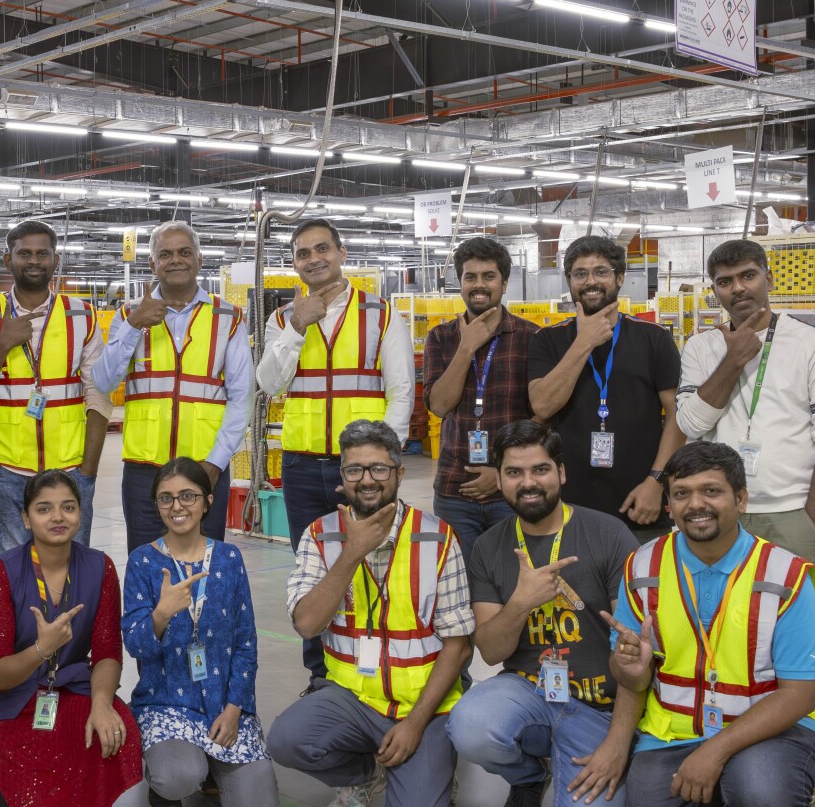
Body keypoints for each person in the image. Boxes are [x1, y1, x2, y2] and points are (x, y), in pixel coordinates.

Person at [609, 441, 815, 807]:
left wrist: (716, 752)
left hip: (770, 733)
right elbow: (631, 677)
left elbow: (803, 694)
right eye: (682, 494)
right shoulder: (642, 567)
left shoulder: (784, 575)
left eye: (712, 491)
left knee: (764, 796)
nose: (696, 505)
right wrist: (628, 667)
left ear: (741, 500)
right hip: (672, 734)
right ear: (669, 505)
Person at [268, 420, 472, 807]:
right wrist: (352, 551)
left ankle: (434, 763)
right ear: (341, 478)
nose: (367, 480)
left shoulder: (437, 537)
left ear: (400, 473)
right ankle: (361, 775)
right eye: (355, 470)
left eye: (379, 469)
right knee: (285, 738)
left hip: (425, 705)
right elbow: (306, 624)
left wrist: (416, 724)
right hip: (352, 698)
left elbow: (459, 644)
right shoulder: (321, 536)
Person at [447, 421, 639, 807]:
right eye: (514, 472)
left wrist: (617, 741)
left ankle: (615, 769)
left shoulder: (608, 535)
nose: (529, 482)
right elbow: (491, 652)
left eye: (540, 470)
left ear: (562, 474)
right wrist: (520, 602)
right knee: (470, 725)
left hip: (600, 706)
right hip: (530, 691)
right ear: (499, 477)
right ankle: (530, 777)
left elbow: (637, 660)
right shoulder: (490, 547)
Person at [255, 219, 415, 690]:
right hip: (303, 465)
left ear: (341, 252)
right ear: (295, 263)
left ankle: (375, 666)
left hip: (364, 470)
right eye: (303, 253)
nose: (313, 259)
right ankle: (321, 676)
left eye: (322, 249)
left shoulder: (382, 315)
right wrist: (296, 329)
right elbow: (269, 383)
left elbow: (401, 391)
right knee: (313, 567)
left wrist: (386, 463)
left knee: (374, 563)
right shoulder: (284, 318)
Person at [0, 470, 141, 807]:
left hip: (67, 687)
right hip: (5, 701)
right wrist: (41, 649)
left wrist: (102, 704)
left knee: (118, 727)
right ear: (26, 518)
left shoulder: (101, 568)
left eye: (68, 507)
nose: (57, 517)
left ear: (81, 512)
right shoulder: (2, 572)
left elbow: (107, 650)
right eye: (44, 509)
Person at [664, 239, 815, 565]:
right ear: (715, 290)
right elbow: (691, 424)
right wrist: (733, 360)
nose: (738, 288)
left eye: (748, 276)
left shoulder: (812, 344)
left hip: (790, 512)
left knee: (792, 612)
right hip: (716, 510)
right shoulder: (701, 347)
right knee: (717, 613)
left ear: (770, 278)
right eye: (725, 281)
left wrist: (812, 519)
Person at [120, 457, 276, 807]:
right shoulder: (143, 562)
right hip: (168, 705)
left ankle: (211, 765)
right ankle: (173, 779)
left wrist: (235, 708)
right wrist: (159, 615)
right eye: (166, 498)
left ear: (207, 501)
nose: (177, 507)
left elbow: (245, 642)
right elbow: (135, 645)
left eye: (188, 496)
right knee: (177, 777)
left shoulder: (229, 558)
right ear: (156, 505)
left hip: (224, 705)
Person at [88, 221, 252, 554]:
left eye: (184, 252)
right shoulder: (127, 315)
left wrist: (216, 463)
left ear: (199, 259)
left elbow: (241, 398)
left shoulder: (229, 317)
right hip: (143, 471)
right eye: (165, 254)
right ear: (152, 263)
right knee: (147, 568)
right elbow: (104, 381)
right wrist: (134, 325)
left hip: (205, 467)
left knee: (205, 568)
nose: (175, 260)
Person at [0, 221, 111, 555]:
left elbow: (98, 393)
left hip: (70, 466)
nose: (34, 260)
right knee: (14, 570)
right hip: (4, 469)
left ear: (56, 260)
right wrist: (1, 344)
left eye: (43, 253)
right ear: (7, 259)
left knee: (71, 569)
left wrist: (89, 469)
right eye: (24, 253)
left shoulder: (83, 315)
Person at [529, 235, 683, 542]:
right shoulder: (548, 340)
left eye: (601, 271)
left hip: (641, 503)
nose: (590, 282)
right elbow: (543, 407)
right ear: (569, 280)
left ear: (620, 277)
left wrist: (657, 481)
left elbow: (679, 415)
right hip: (568, 505)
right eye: (580, 273)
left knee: (641, 587)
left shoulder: (654, 339)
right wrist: (584, 341)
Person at [422, 236, 538, 551]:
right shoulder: (441, 337)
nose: (479, 285)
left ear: (504, 283)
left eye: (489, 276)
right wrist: (466, 347)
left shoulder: (531, 337)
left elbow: (541, 416)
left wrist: (502, 471)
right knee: (459, 582)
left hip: (514, 489)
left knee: (514, 579)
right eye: (470, 277)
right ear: (460, 283)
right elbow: (439, 405)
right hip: (453, 491)